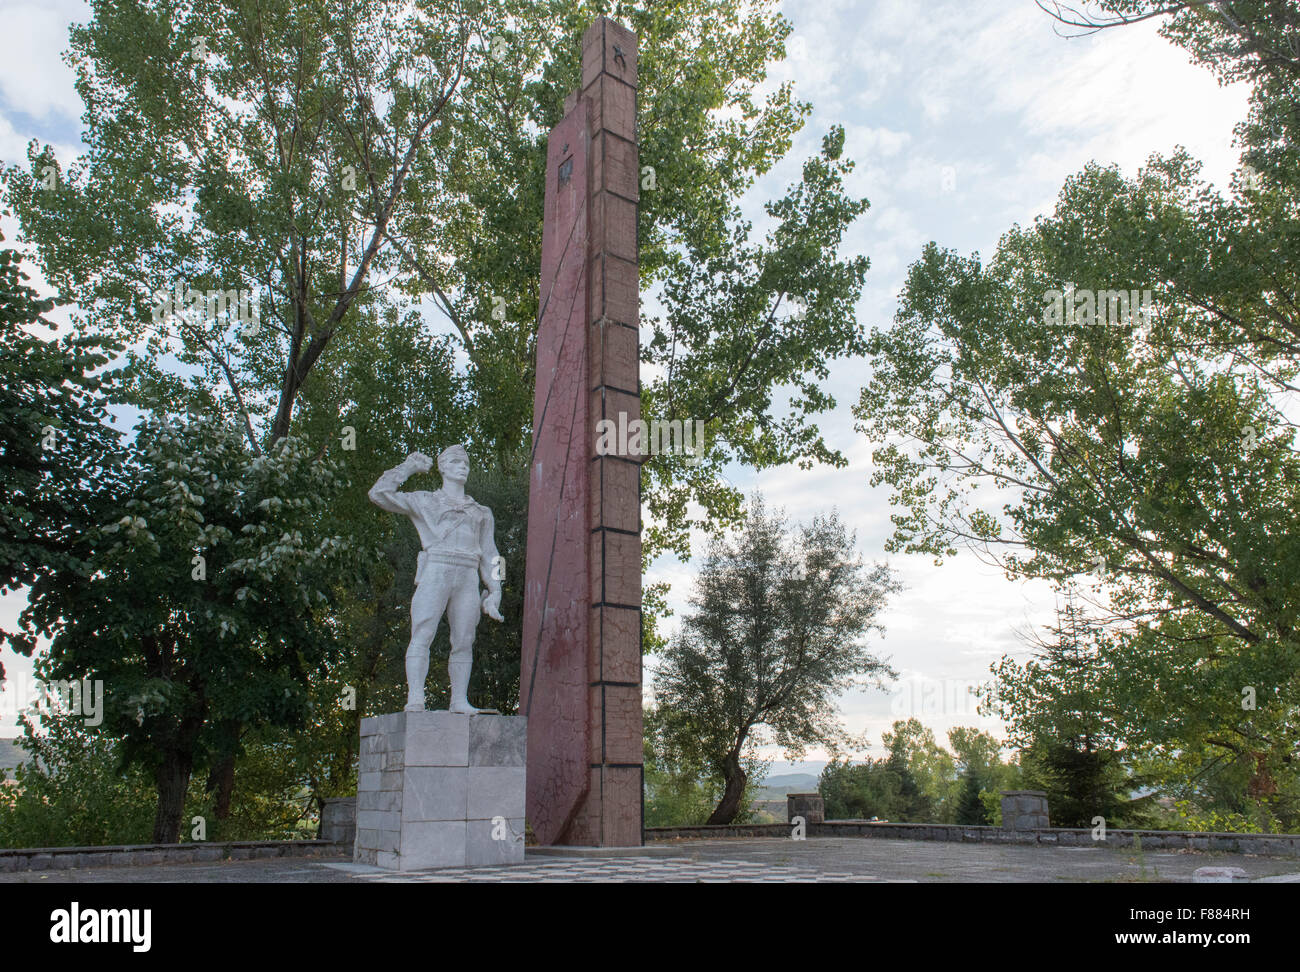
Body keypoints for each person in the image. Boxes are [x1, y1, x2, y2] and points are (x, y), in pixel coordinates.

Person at [368, 444, 504, 712]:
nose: (462, 467)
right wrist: (407, 468)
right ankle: (416, 698)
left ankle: (459, 701)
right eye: (455, 462)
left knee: (465, 640)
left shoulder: (481, 511)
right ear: (442, 467)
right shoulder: (425, 500)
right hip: (437, 568)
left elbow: (492, 554)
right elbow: (379, 494)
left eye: (465, 463)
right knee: (422, 633)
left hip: (467, 574)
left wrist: (496, 589)